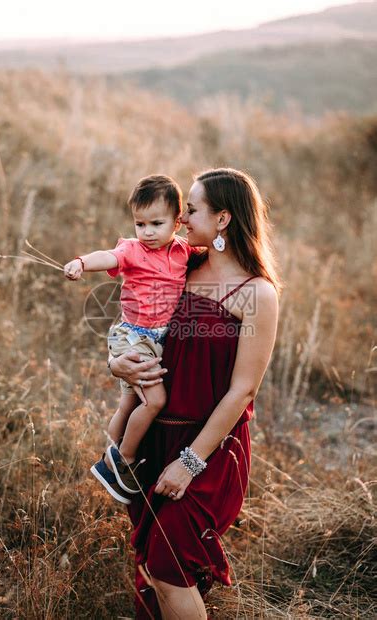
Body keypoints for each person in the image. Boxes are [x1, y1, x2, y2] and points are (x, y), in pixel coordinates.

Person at [108, 168, 281, 619]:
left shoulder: (256, 293)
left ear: (223, 219)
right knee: (151, 567)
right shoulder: (180, 265)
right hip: (155, 437)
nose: (181, 219)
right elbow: (135, 329)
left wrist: (189, 463)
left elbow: (243, 391)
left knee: (169, 566)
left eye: (192, 209)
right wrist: (116, 363)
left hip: (208, 450)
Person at [64, 175, 202, 504]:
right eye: (140, 224)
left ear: (177, 221)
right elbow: (108, 256)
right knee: (154, 401)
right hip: (134, 337)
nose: (147, 232)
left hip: (157, 338)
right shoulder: (133, 249)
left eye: (157, 223)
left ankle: (108, 458)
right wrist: (82, 263)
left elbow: (209, 249)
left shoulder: (183, 250)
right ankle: (124, 457)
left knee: (129, 402)